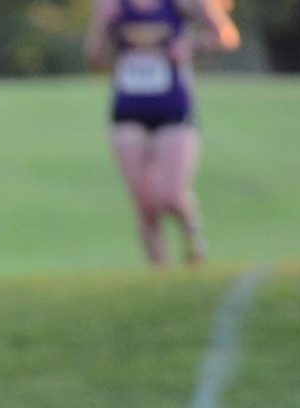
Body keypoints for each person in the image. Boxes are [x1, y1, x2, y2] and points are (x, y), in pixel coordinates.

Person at [85, 0, 241, 267]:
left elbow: (227, 36)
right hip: (128, 110)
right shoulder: (113, 6)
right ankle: (161, 277)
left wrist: (192, 45)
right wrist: (102, 24)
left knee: (171, 195)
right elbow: (94, 59)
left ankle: (193, 240)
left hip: (173, 109)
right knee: (145, 206)